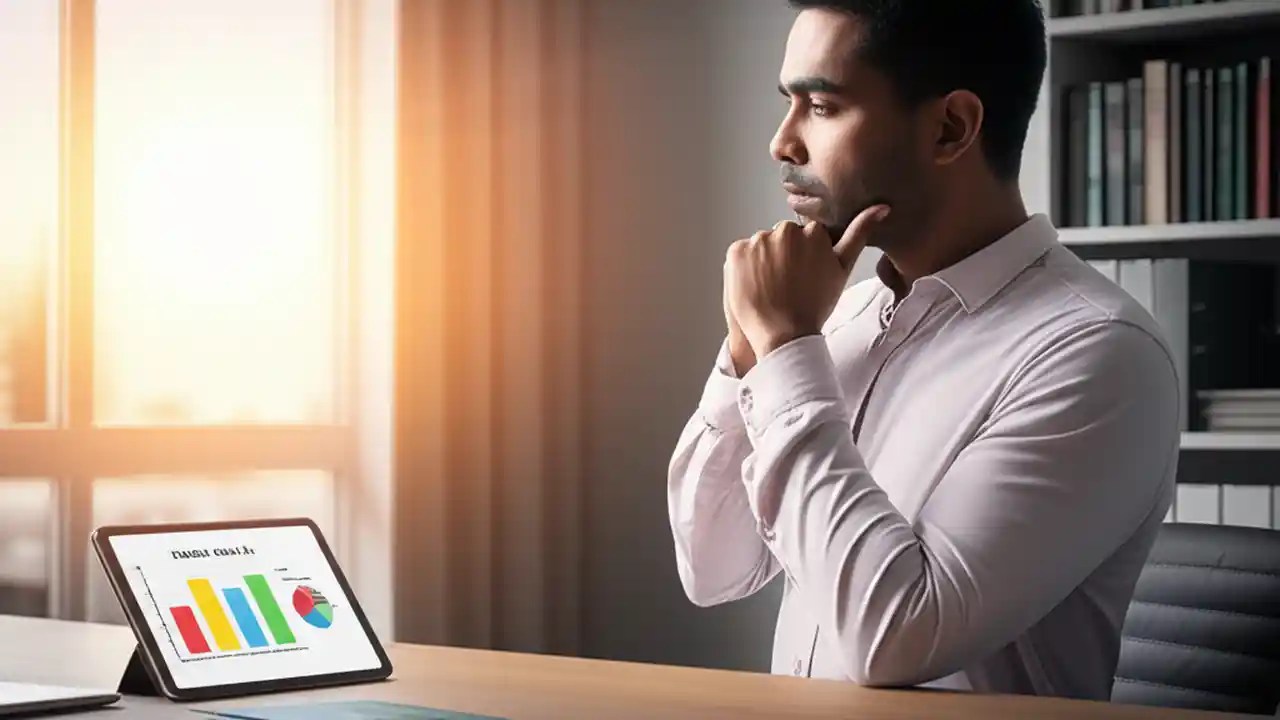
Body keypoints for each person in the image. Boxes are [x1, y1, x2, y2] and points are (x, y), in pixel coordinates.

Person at [667, 0, 1179, 700]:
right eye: (789, 103)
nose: (781, 142)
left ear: (950, 128)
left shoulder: (1097, 356)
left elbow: (896, 638)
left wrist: (785, 348)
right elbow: (712, 566)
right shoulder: (834, 321)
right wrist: (749, 349)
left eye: (819, 105)